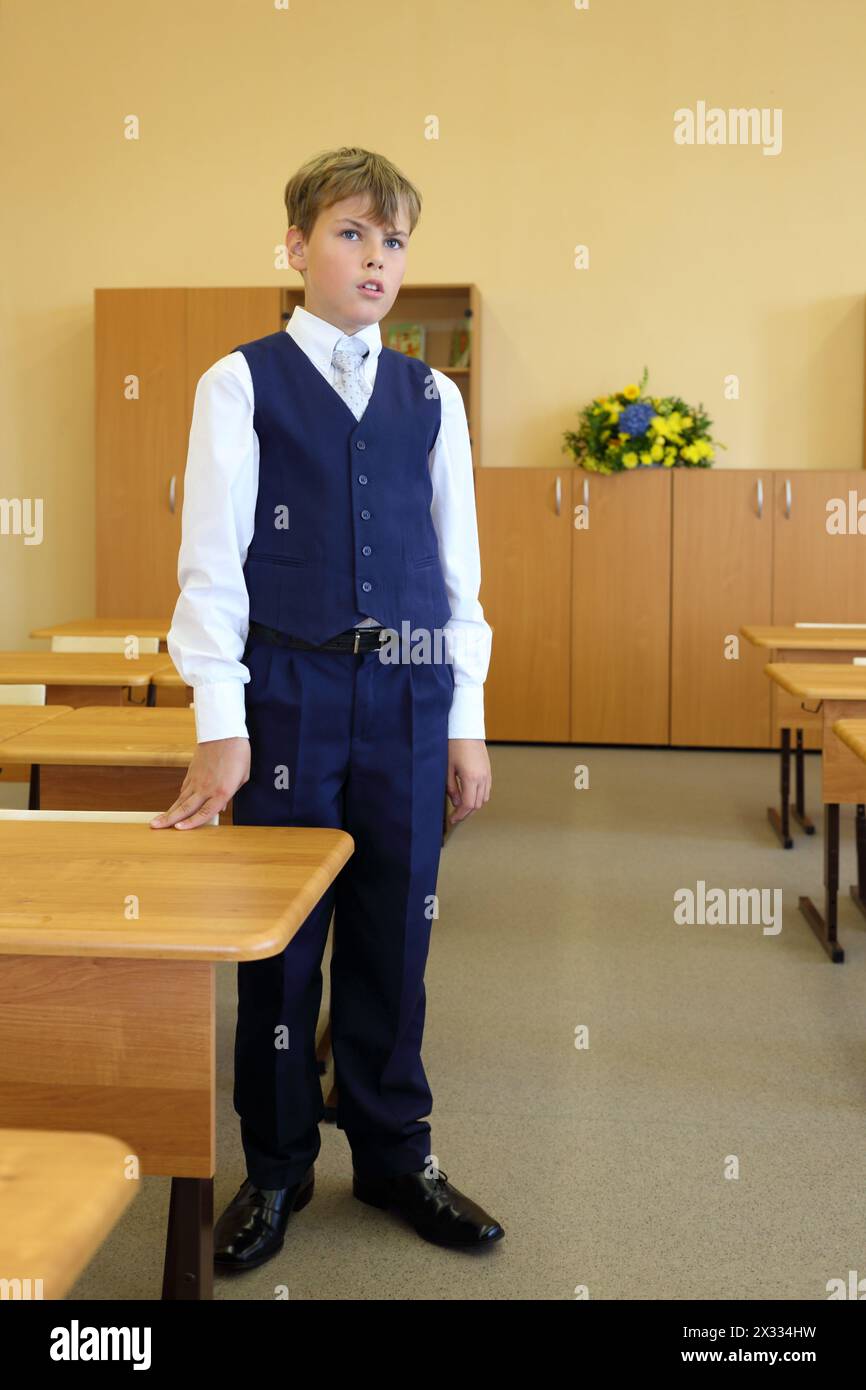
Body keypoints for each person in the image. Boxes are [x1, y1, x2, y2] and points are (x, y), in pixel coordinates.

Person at [151, 145, 503, 1269]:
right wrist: (221, 723)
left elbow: (458, 575)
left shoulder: (431, 395)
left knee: (398, 932)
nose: (374, 258)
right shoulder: (239, 382)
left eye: (392, 240)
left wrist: (465, 717)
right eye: (350, 233)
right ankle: (279, 1164)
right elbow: (210, 569)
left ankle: (398, 1154)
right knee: (283, 945)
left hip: (408, 691)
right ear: (295, 247)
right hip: (290, 690)